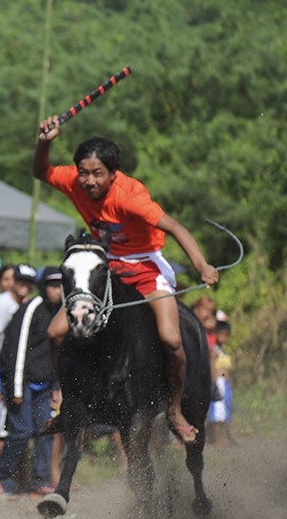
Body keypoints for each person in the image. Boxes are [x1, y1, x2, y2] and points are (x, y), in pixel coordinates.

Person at [33, 121, 219, 443]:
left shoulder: (130, 197)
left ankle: (174, 410)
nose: (89, 181)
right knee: (55, 332)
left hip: (146, 266)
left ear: (113, 173)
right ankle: (66, 402)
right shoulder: (75, 182)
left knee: (172, 339)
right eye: (84, 172)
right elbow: (40, 170)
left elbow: (175, 227)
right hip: (107, 267)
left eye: (98, 174)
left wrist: (201, 265)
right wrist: (44, 143)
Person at [0, 266, 62, 495]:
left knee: (46, 430)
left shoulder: (62, 311)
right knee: (21, 431)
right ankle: (2, 477)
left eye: (60, 285)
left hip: (44, 385)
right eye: (52, 285)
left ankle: (40, 480)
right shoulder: (32, 308)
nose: (57, 290)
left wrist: (57, 386)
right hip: (21, 382)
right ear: (44, 286)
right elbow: (16, 348)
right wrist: (15, 388)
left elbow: (60, 353)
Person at [207, 319, 236, 446]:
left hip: (225, 383)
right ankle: (216, 439)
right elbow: (212, 368)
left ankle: (228, 437)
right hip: (217, 382)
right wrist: (213, 384)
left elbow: (228, 370)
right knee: (217, 412)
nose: (223, 337)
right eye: (221, 334)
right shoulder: (214, 351)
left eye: (226, 335)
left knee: (226, 410)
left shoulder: (225, 351)